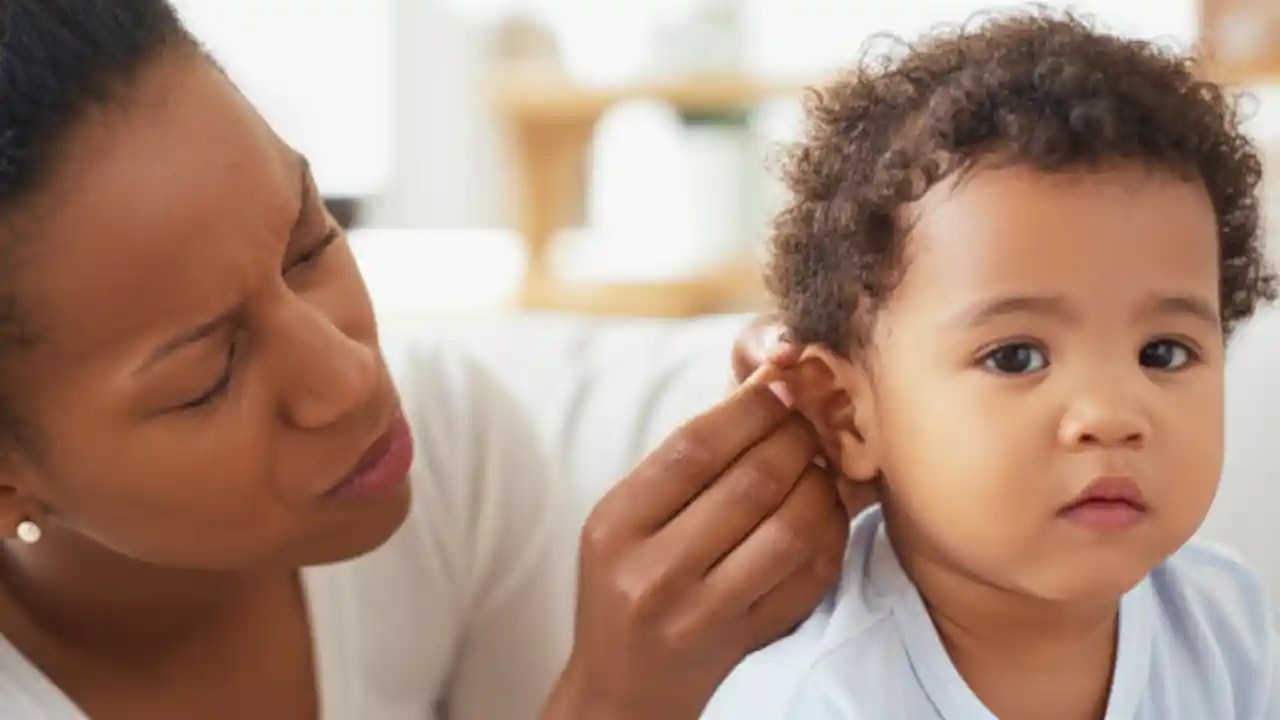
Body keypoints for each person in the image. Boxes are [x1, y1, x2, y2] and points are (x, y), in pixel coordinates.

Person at [0, 2, 855, 718]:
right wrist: (614, 700)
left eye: (309, 244)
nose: (350, 379)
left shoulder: (450, 451)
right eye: (207, 380)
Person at [704, 11, 1278, 719]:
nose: (1111, 414)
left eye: (1163, 352)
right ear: (848, 415)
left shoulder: (1229, 627)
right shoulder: (815, 699)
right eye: (1016, 357)